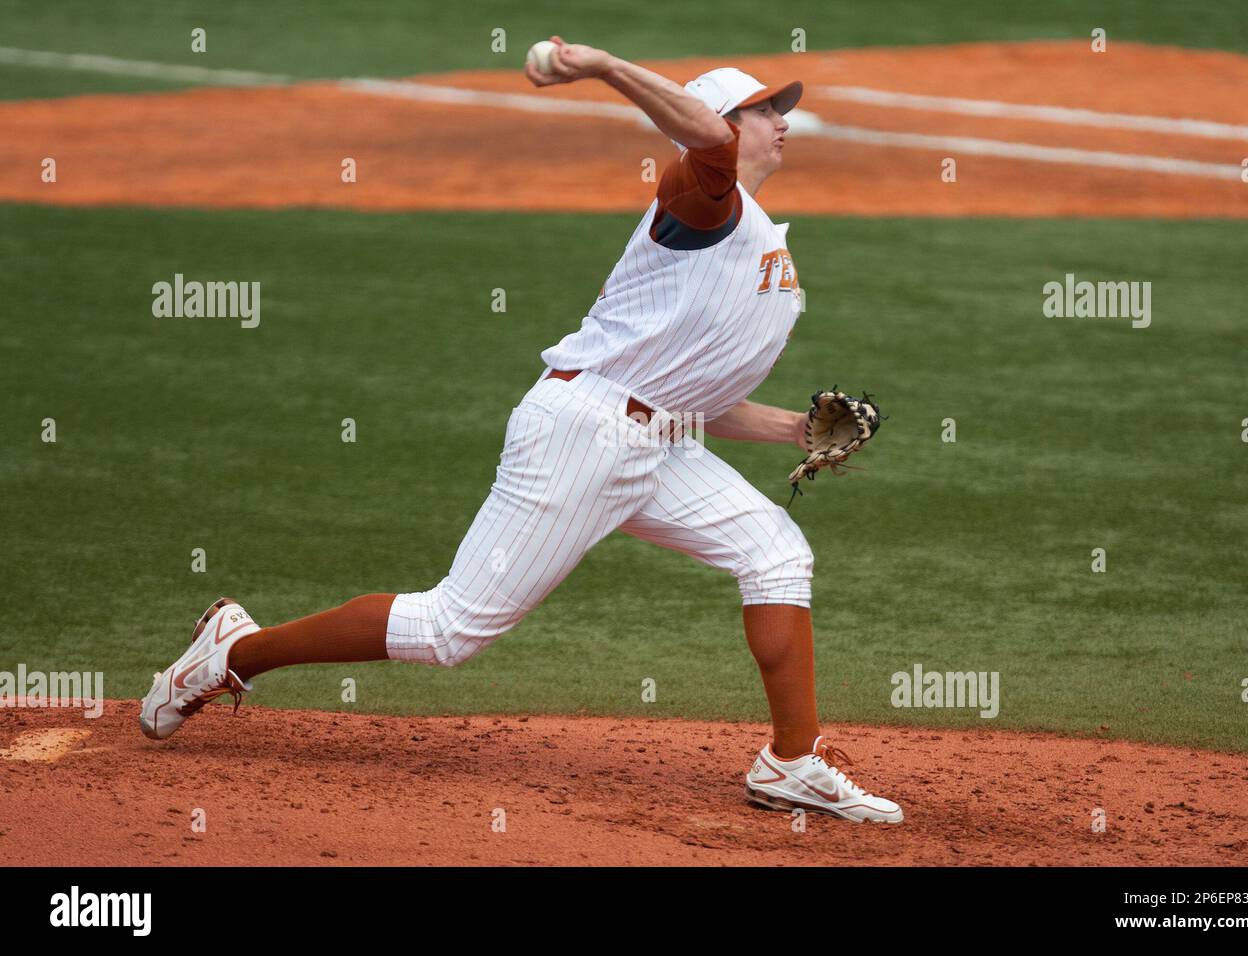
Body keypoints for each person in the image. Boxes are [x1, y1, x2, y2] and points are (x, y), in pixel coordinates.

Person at [141, 37, 903, 825]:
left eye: (782, 108)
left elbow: (684, 391)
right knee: (448, 630)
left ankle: (791, 761)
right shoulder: (702, 199)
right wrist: (604, 66)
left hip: (654, 438)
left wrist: (792, 430)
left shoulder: (762, 237)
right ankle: (231, 653)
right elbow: (703, 143)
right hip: (582, 433)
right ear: (717, 123)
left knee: (774, 552)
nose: (781, 120)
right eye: (762, 109)